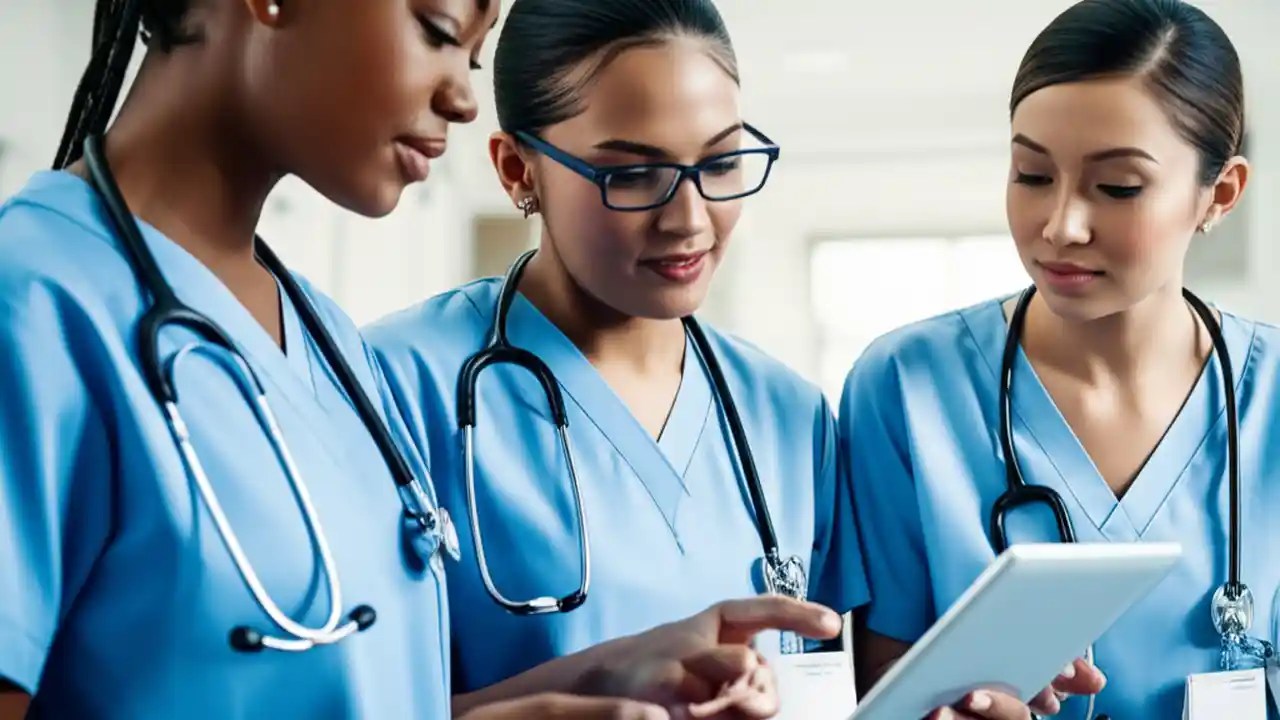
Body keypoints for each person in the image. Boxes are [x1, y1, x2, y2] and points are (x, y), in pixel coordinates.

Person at [0, 0, 844, 718]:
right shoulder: (35, 302)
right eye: (438, 29)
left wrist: (604, 675)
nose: (464, 98)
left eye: (472, 55)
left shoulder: (325, 345)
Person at [365, 0, 872, 701]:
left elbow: (826, 691)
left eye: (722, 163)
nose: (689, 220)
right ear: (518, 171)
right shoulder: (393, 384)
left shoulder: (789, 415)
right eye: (633, 175)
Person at [841, 0, 1256, 718]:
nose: (1060, 226)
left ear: (1218, 195)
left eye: (1118, 187)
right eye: (1032, 175)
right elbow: (881, 688)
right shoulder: (908, 386)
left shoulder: (1269, 394)